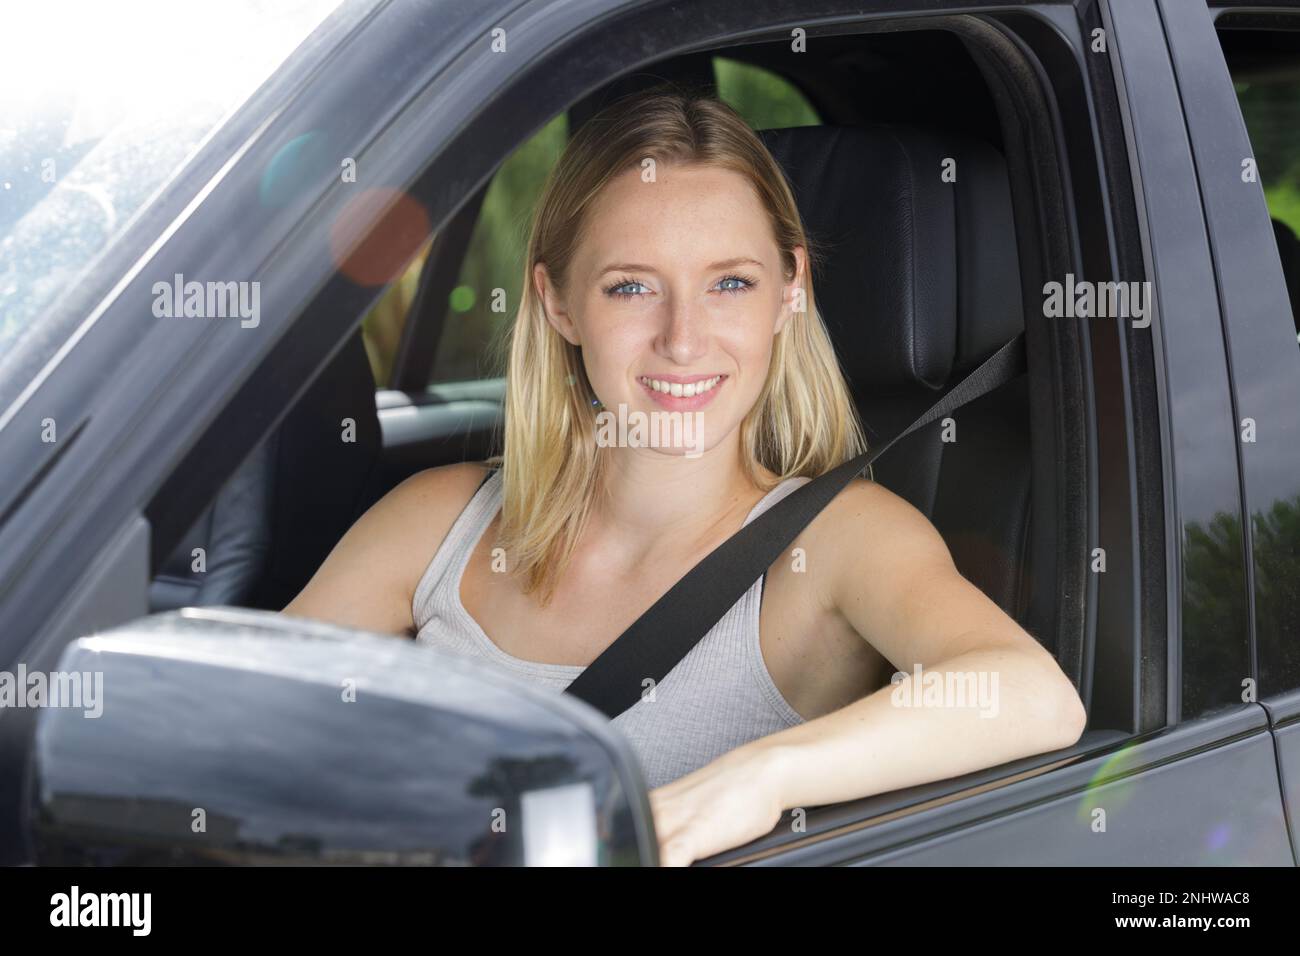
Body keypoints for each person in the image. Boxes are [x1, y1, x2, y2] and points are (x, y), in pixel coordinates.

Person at [282, 85, 1086, 866]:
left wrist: (754, 780)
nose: (683, 339)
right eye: (631, 287)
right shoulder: (437, 523)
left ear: (790, 291)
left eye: (729, 282)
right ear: (558, 303)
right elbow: (226, 722)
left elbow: (1027, 692)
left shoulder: (835, 542)